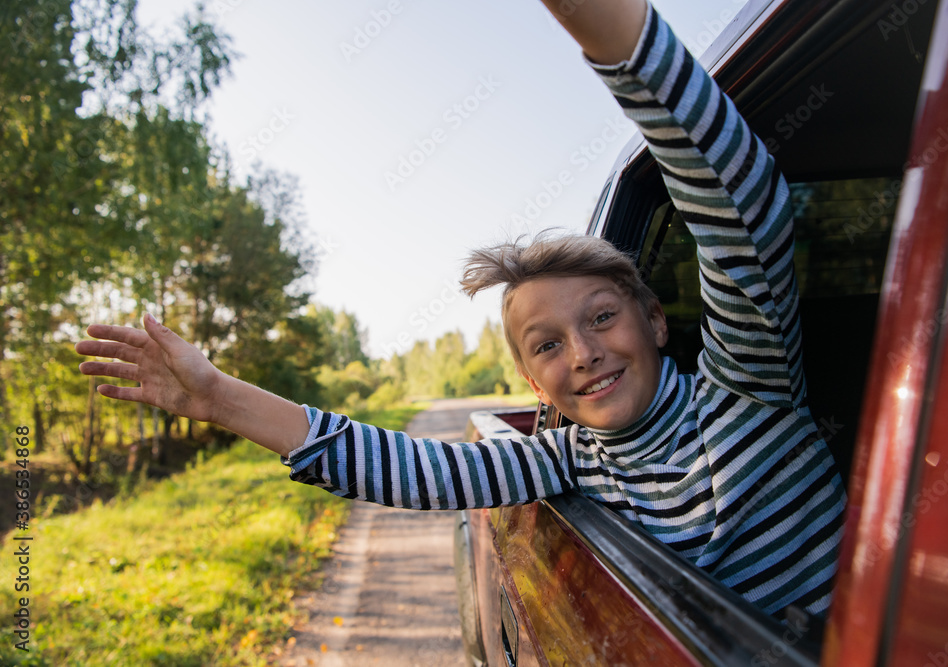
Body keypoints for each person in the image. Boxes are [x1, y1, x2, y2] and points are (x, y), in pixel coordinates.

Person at [76, 0, 846, 619]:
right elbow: (410, 467)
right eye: (547, 345)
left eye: (602, 317)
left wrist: (603, 26)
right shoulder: (563, 461)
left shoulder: (750, 383)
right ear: (533, 384)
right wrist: (218, 397)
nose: (583, 353)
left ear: (655, 319)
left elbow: (741, 206)